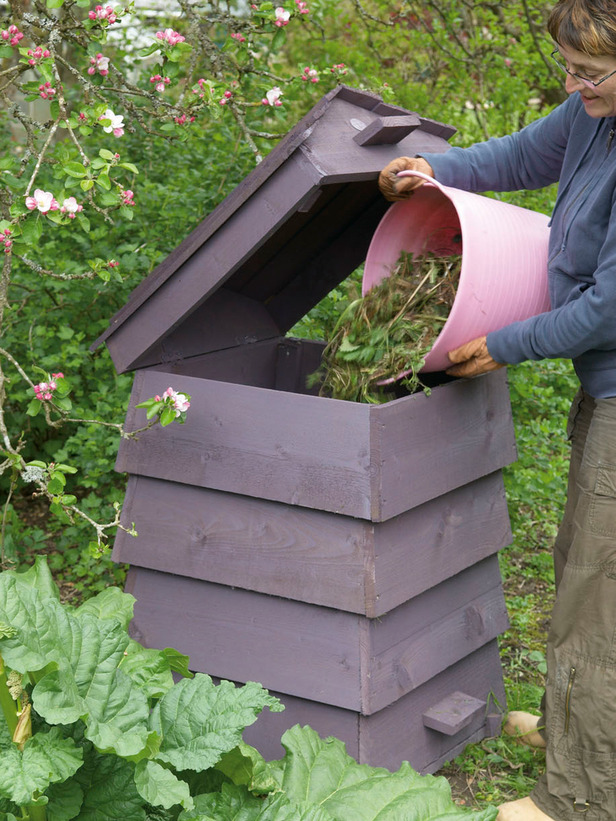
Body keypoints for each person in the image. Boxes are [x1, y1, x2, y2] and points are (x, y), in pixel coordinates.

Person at [379, 1, 616, 819]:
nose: (573, 84)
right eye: (566, 66)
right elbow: (520, 154)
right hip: (606, 381)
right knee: (580, 564)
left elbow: (611, 305)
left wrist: (507, 341)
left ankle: (580, 797)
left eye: (590, 72)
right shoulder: (592, 114)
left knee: (599, 591)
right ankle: (569, 730)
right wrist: (434, 171)